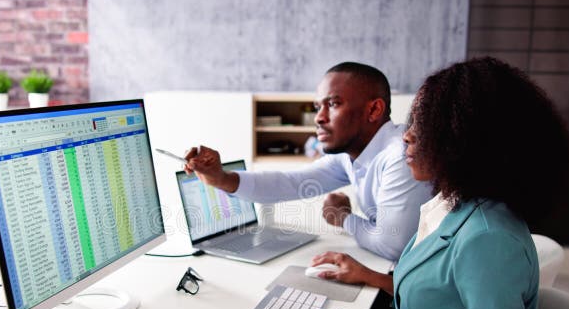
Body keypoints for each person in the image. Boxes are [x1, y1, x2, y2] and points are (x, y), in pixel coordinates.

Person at [293, 57, 569, 309]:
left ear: (467, 137)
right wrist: (371, 277)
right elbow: (448, 301)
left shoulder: (488, 241)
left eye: (424, 124)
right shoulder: (456, 207)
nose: (407, 134)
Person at [184, 62, 432, 262]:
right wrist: (222, 178)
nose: (319, 118)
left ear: (374, 110)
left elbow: (393, 246)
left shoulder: (401, 156)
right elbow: (290, 183)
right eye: (317, 107)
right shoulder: (350, 155)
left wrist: (344, 217)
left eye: (333, 104)